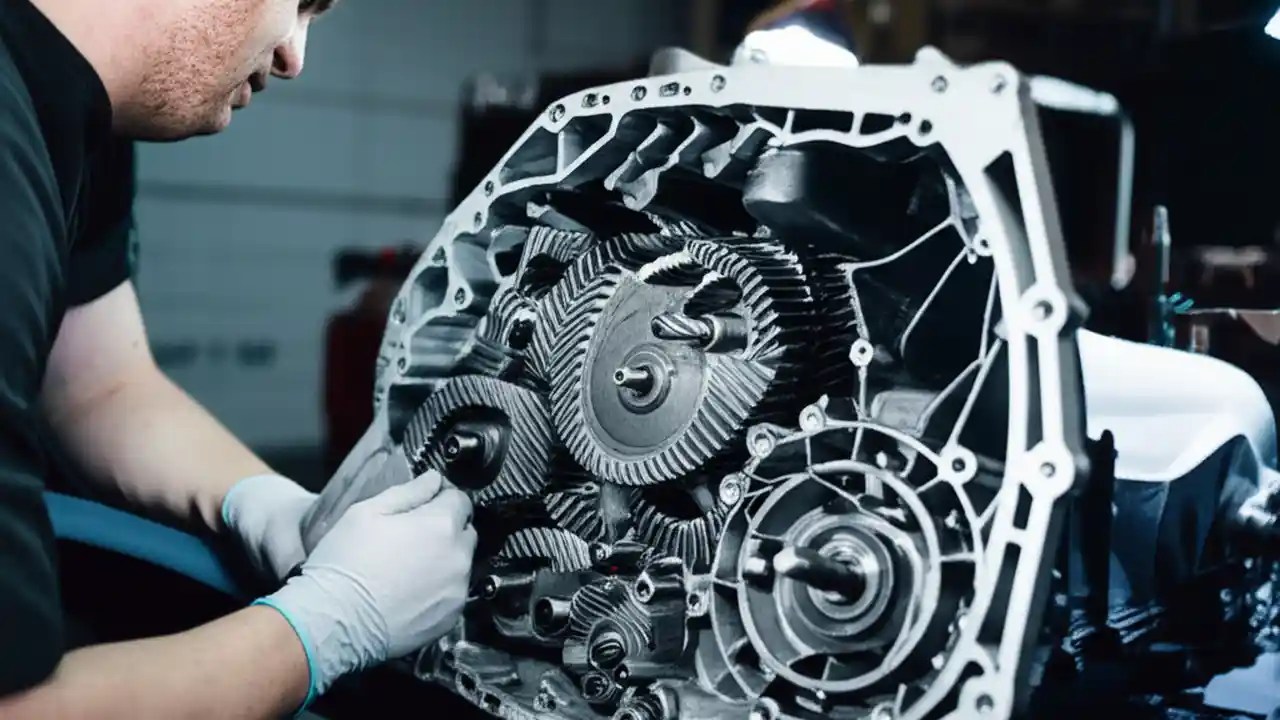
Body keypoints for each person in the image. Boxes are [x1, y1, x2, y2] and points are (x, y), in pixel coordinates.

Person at [0, 0, 477, 717]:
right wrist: (324, 629)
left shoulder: (74, 106)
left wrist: (270, 505)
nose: (293, 56)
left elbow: (99, 386)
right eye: (302, 6)